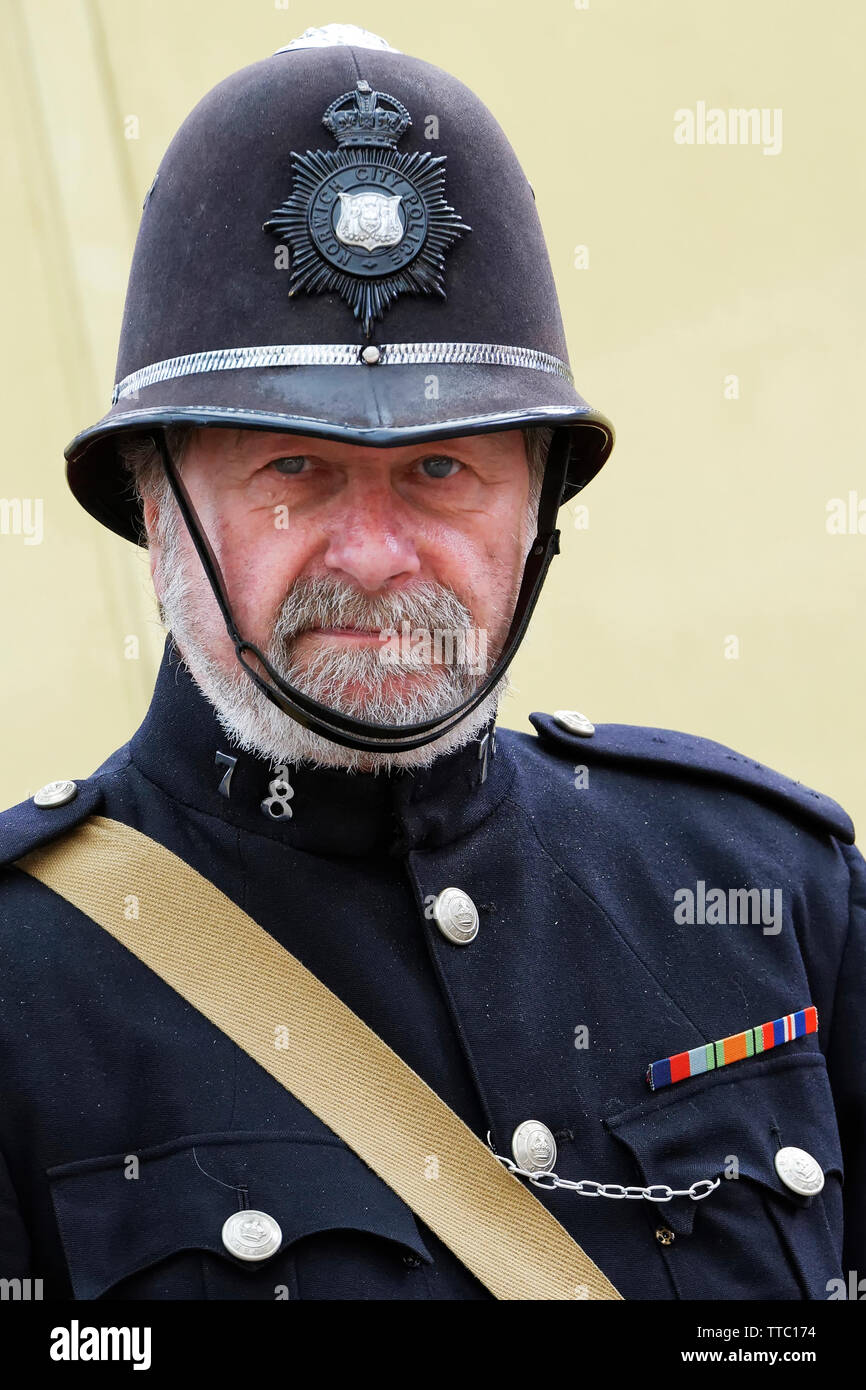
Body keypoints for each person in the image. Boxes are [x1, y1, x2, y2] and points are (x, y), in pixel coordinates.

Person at [0, 23, 862, 1303]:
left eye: (440, 470)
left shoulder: (774, 898)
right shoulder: (23, 995)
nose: (378, 552)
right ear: (154, 502)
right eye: (293, 471)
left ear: (538, 506)